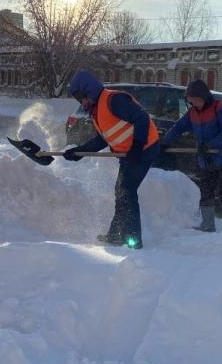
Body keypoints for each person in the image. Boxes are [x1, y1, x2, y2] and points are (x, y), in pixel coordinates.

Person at [64, 70, 160, 250]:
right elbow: (102, 139)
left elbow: (141, 118)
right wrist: (79, 152)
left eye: (82, 98)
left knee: (127, 190)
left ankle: (133, 239)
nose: (82, 103)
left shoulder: (113, 100)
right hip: (129, 153)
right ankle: (116, 235)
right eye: (79, 100)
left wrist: (137, 146)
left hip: (144, 148)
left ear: (89, 91)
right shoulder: (96, 111)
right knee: (121, 191)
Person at [160, 79, 222, 234]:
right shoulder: (192, 113)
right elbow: (178, 127)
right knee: (206, 190)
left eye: (195, 99)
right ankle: (208, 225)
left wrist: (211, 144)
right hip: (207, 159)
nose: (193, 103)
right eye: (190, 100)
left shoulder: (221, 109)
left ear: (204, 97)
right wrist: (165, 142)